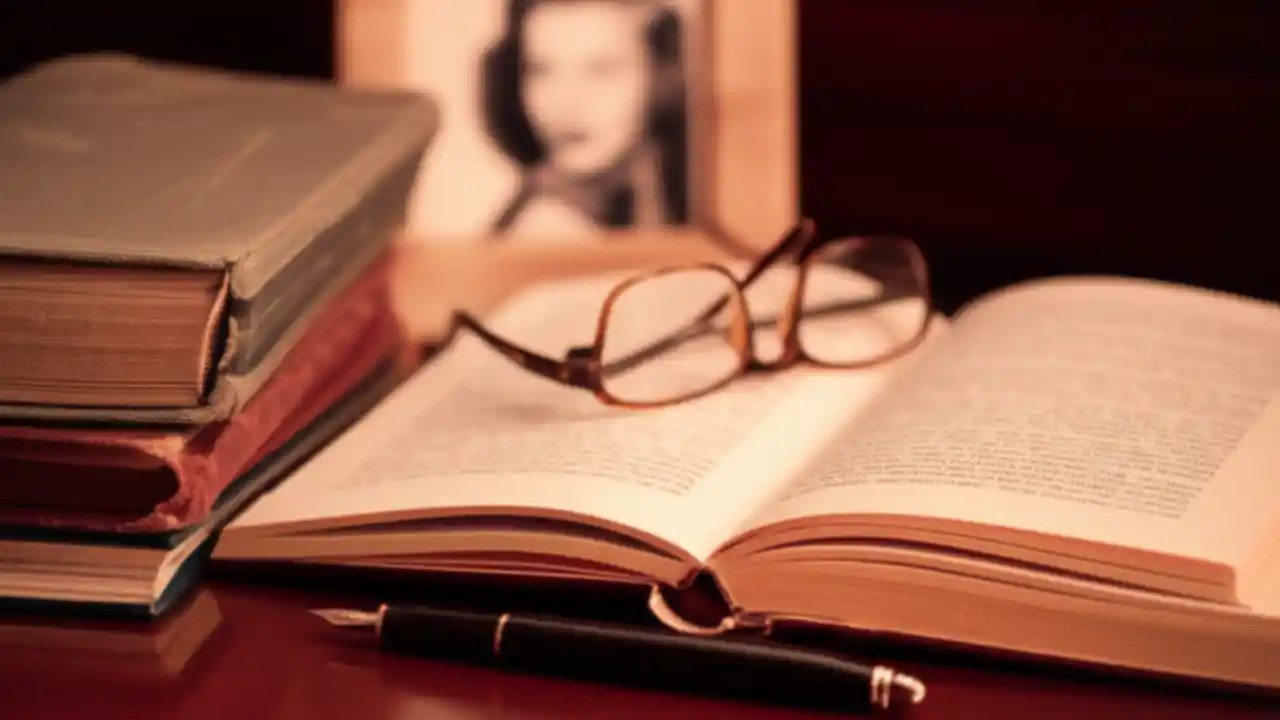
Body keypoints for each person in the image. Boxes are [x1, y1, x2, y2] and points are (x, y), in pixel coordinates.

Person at [483, 0, 689, 235]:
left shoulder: (686, 189)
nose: (566, 102)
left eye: (601, 70)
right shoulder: (544, 224)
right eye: (541, 69)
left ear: (659, 76)